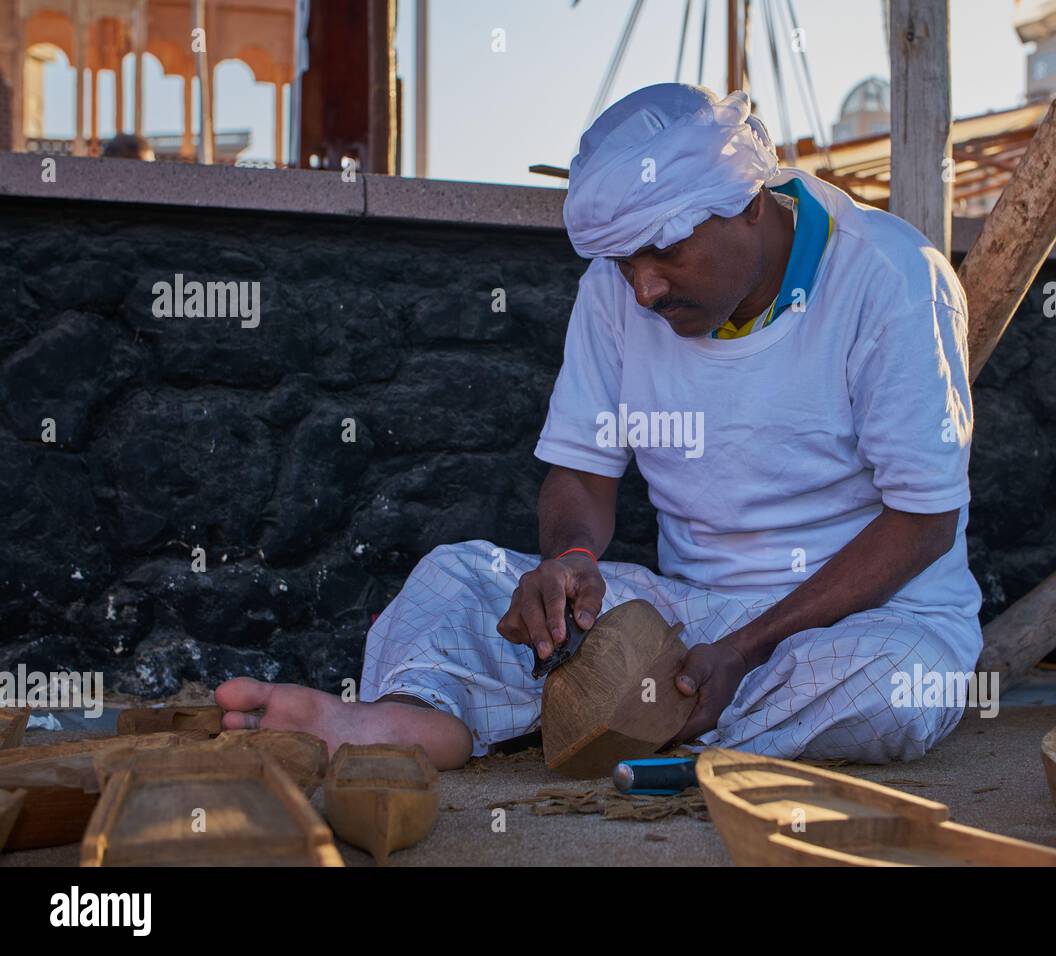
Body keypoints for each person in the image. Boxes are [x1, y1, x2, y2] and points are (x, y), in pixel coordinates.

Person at [217, 83, 982, 769]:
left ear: (750, 203)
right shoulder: (615, 289)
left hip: (865, 619)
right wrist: (572, 560)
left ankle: (608, 717)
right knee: (460, 576)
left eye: (666, 252)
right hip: (682, 620)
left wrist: (745, 651)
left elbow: (923, 522)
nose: (644, 288)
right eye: (623, 262)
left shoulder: (893, 278)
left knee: (890, 690)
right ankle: (414, 719)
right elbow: (583, 469)